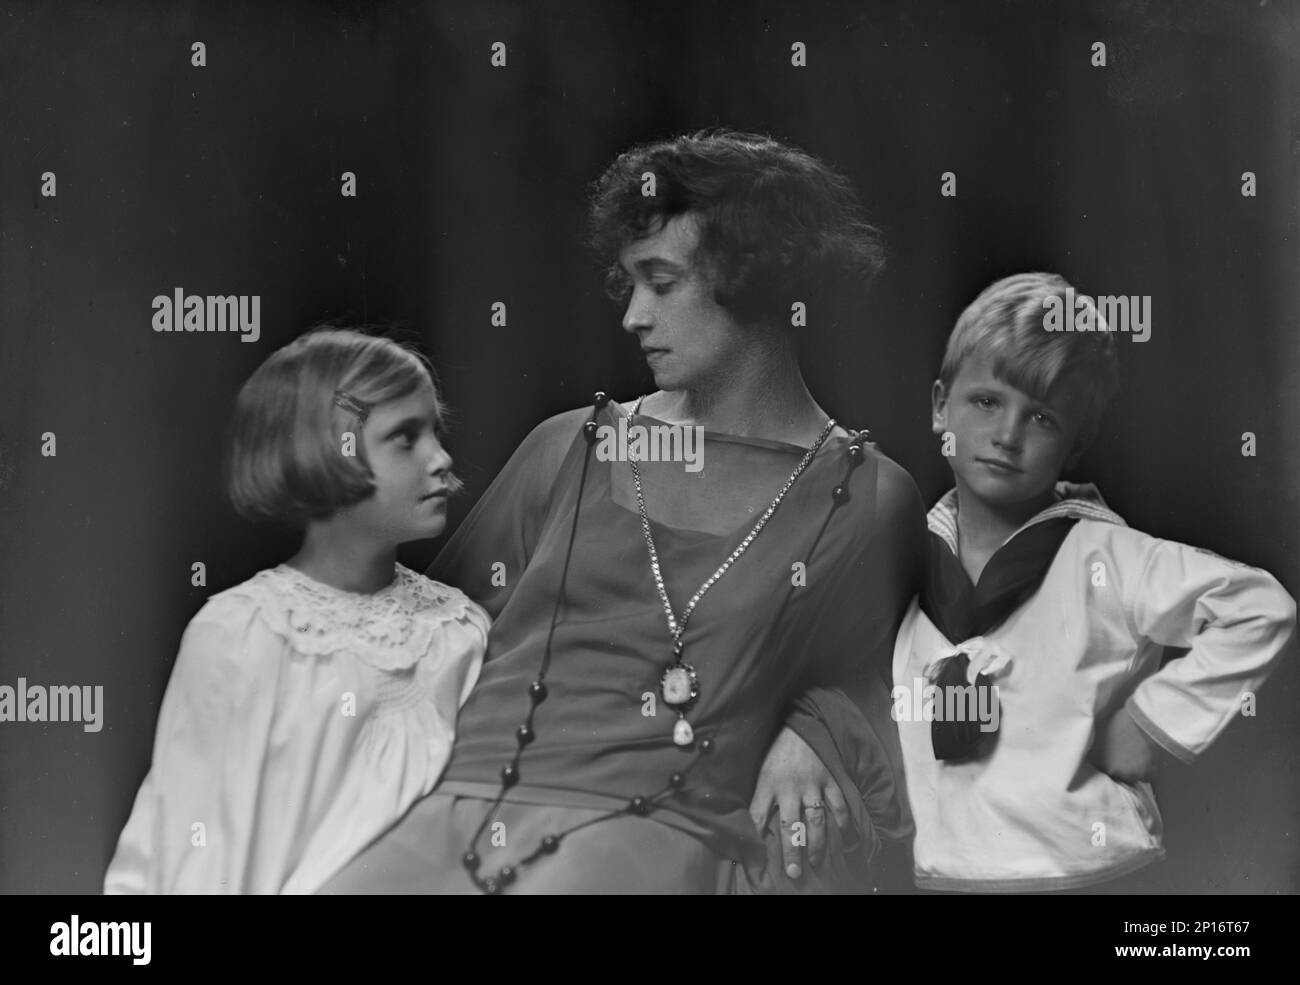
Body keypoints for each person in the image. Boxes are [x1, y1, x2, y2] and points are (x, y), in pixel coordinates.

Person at [320, 130, 926, 894]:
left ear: (760, 282)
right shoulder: (566, 446)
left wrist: (810, 728)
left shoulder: (867, 494)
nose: (632, 315)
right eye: (630, 283)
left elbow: (873, 678)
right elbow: (426, 632)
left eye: (662, 283)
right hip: (457, 803)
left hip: (645, 820)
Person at [894, 272, 1296, 892]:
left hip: (1094, 875)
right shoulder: (902, 553)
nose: (1007, 435)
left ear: (1076, 447)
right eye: (985, 402)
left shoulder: (1107, 555)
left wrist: (1148, 724)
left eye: (1043, 419)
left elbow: (1260, 607)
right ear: (939, 404)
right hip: (949, 877)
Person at [104, 329, 489, 894]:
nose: (441, 458)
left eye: (436, 430)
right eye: (406, 438)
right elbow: (188, 842)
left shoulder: (458, 631)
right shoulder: (244, 632)